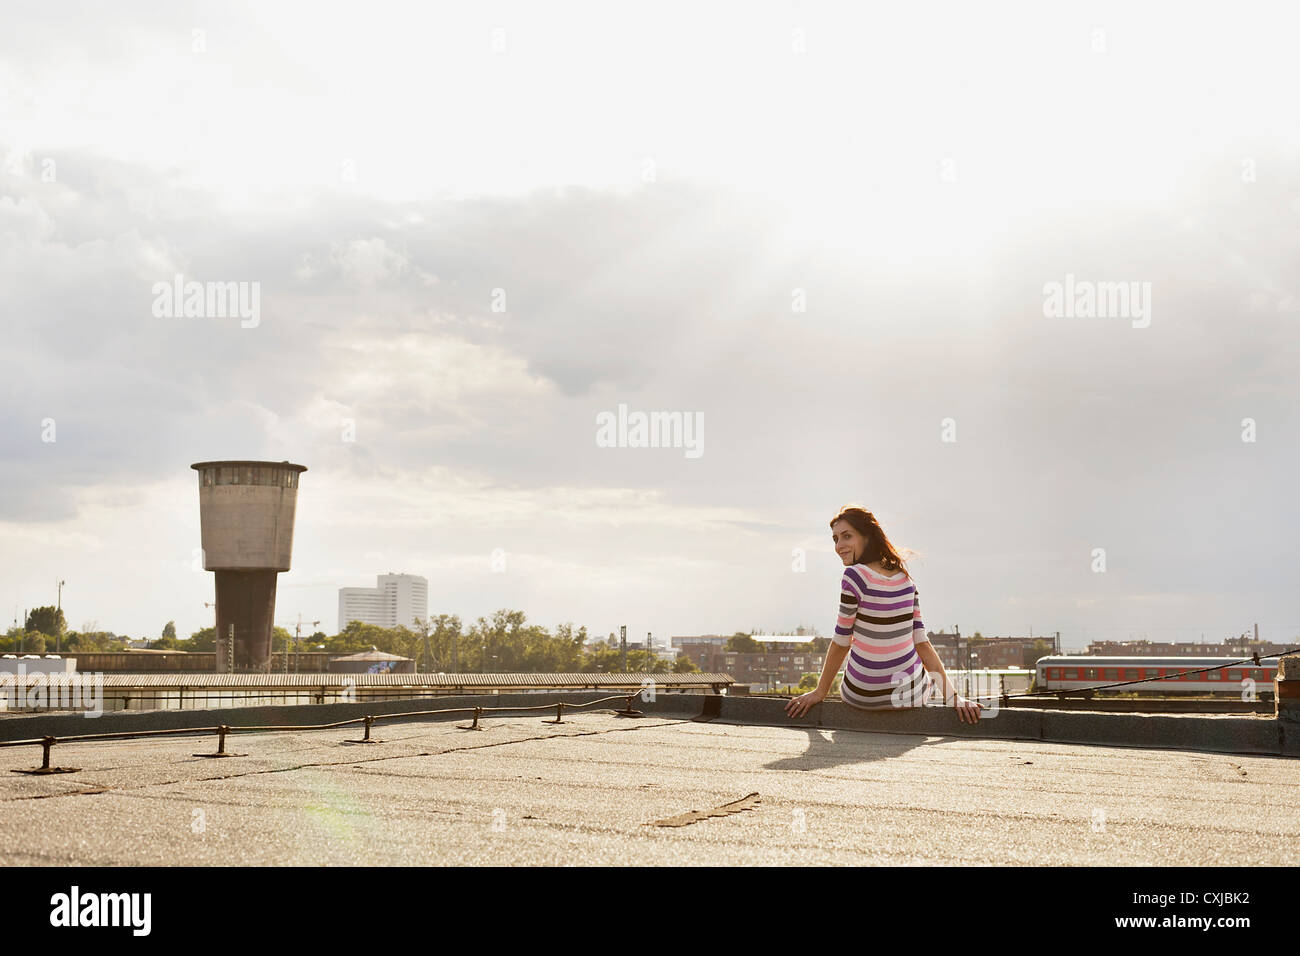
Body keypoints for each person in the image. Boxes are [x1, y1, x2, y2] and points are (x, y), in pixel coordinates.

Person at [785, 505, 983, 723]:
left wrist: (819, 692)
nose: (839, 546)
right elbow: (922, 643)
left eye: (846, 536)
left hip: (860, 695)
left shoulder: (853, 575)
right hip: (909, 696)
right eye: (835, 539)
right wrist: (953, 698)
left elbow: (842, 641)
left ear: (867, 537)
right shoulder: (906, 580)